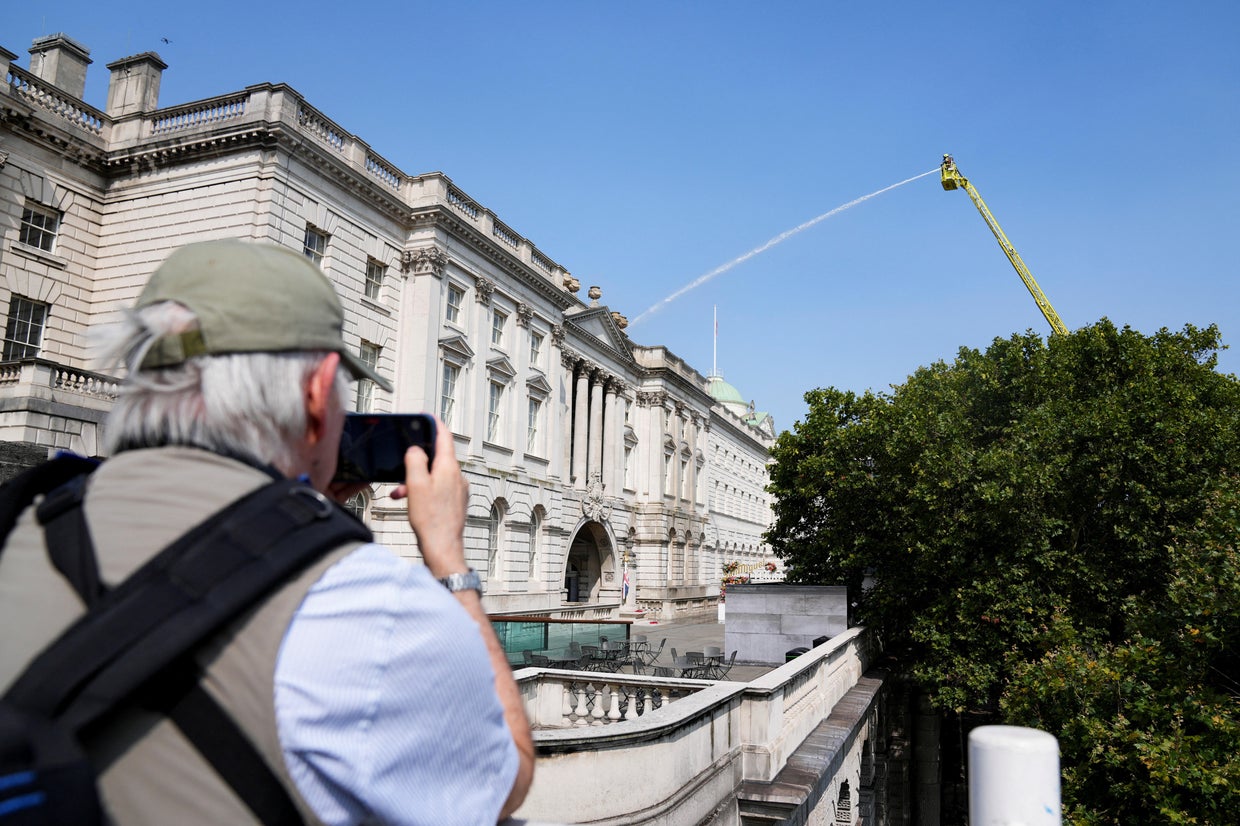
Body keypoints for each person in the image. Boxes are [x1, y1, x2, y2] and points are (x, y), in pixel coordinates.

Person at [0, 240, 534, 824]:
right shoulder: (371, 604)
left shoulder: (17, 517)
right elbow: (502, 780)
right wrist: (450, 561)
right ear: (314, 394)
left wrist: (293, 513)